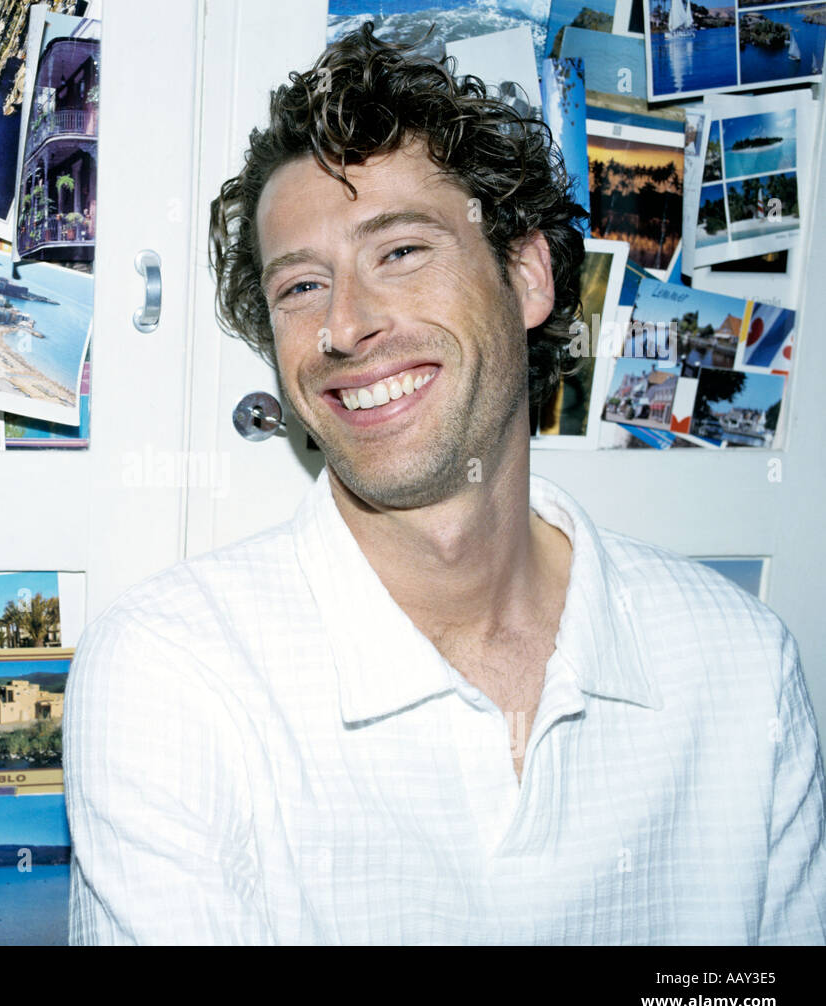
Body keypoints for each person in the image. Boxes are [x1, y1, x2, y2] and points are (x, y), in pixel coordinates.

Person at [63, 25, 826, 944]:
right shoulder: (176, 676)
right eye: (301, 287)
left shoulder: (740, 667)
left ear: (529, 273)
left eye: (400, 252)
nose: (344, 327)